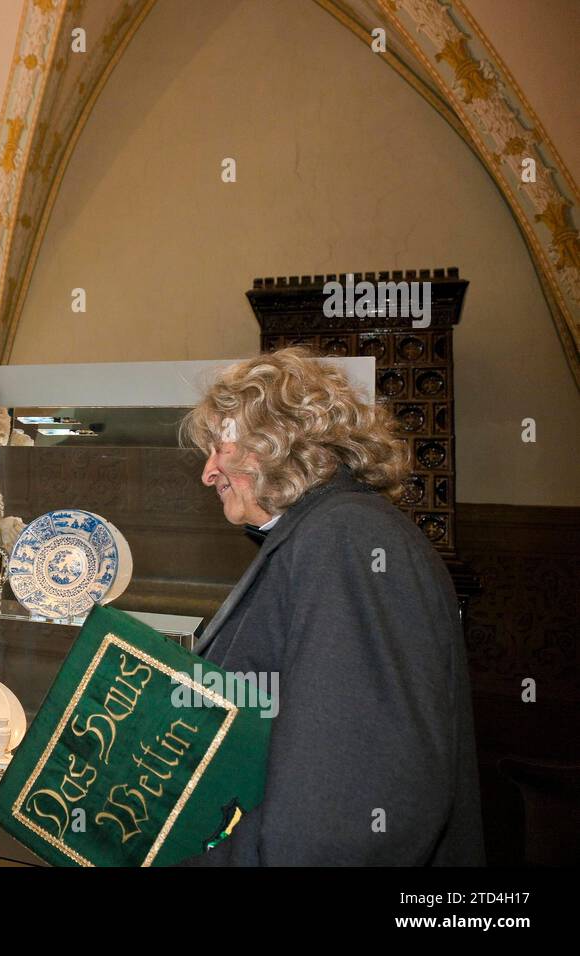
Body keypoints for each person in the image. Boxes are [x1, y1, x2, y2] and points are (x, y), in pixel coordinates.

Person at [176, 347, 483, 865]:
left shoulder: (345, 537)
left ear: (274, 441)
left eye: (218, 449)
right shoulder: (328, 533)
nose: (208, 473)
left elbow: (342, 814)